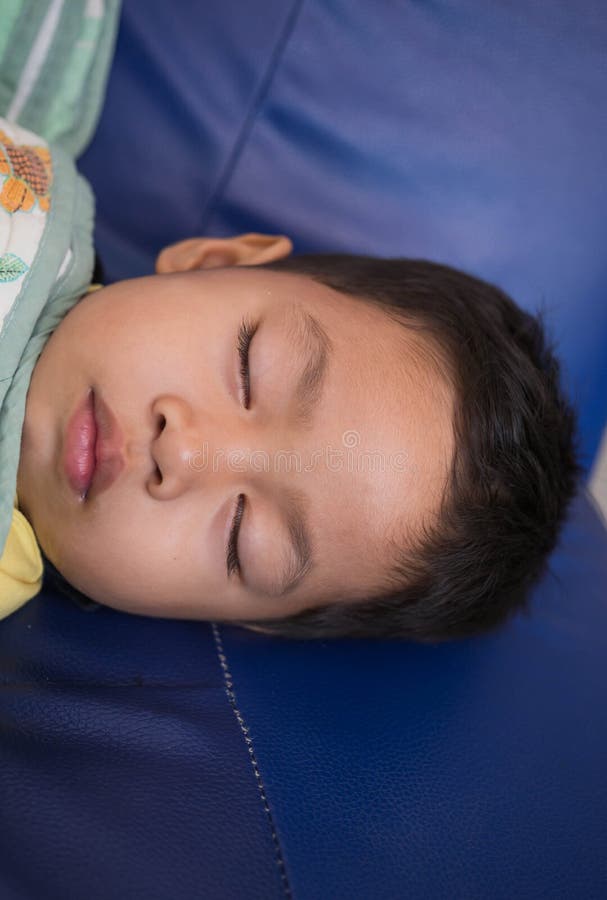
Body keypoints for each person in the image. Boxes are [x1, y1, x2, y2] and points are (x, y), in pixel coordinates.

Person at [1, 156, 583, 639]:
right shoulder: (35, 186)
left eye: (241, 541)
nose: (181, 453)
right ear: (215, 261)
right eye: (250, 368)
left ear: (238, 620)